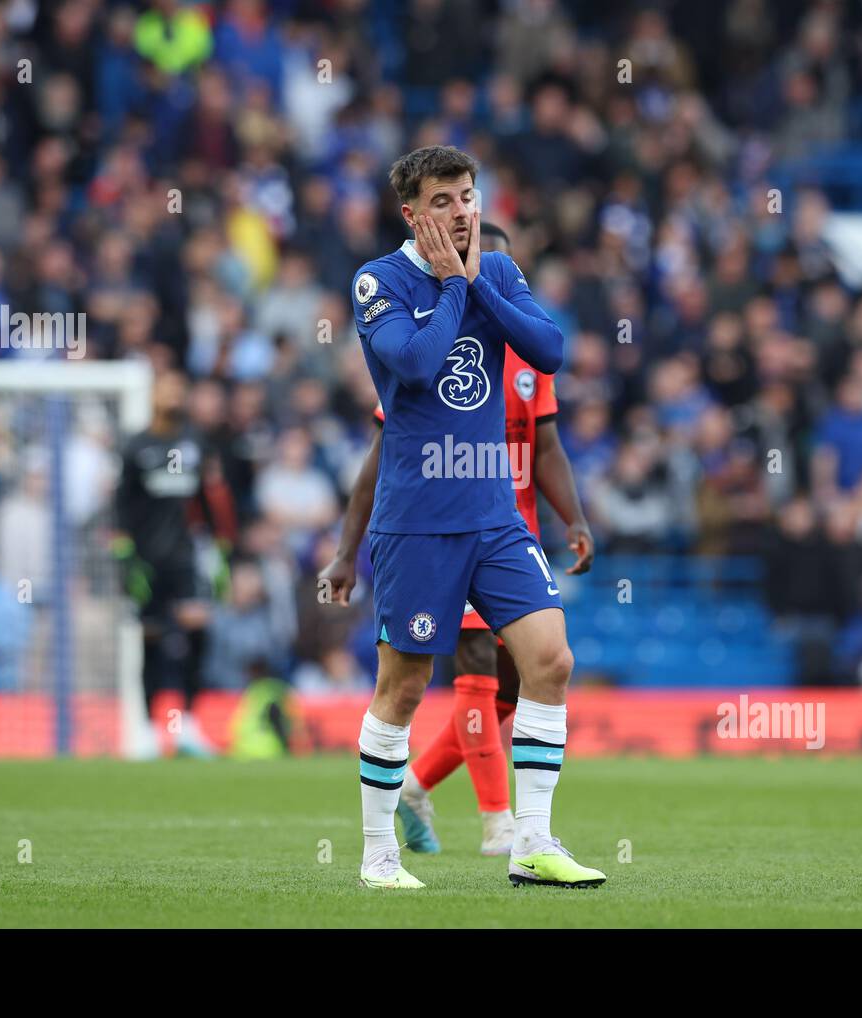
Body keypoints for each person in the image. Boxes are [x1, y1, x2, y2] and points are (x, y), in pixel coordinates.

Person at [344, 144, 605, 889]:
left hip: (495, 513)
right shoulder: (377, 281)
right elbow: (420, 365)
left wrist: (472, 282)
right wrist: (457, 288)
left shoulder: (497, 269)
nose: (460, 212)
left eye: (467, 196)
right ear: (411, 213)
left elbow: (549, 349)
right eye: (442, 201)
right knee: (403, 685)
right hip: (418, 519)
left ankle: (532, 842)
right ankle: (378, 857)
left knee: (551, 660)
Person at [114, 370, 234, 757]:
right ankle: (148, 730)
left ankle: (188, 725)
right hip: (147, 562)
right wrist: (125, 560)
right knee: (150, 642)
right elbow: (120, 508)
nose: (173, 395)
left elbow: (211, 501)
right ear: (153, 396)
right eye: (166, 388)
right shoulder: (136, 446)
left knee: (197, 636)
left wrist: (220, 551)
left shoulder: (195, 443)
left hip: (186, 558)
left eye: (179, 389)